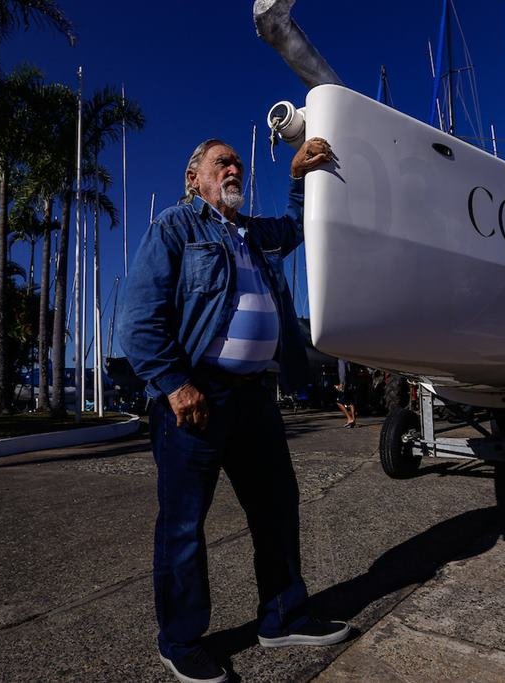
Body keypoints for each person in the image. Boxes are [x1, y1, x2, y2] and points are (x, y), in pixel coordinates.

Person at [120, 135, 349, 683]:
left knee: (276, 507)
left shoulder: (251, 233)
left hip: (254, 399)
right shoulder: (175, 227)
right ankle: (179, 640)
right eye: (222, 161)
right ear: (194, 177)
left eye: (238, 163)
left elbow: (294, 227)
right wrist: (175, 385)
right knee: (182, 524)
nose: (234, 168)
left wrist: (297, 176)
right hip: (196, 398)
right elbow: (137, 319)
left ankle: (282, 616)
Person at [335, 358, 358, 427]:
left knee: (339, 402)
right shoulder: (349, 359)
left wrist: (341, 383)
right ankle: (353, 421)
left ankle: (349, 418)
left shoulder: (341, 359)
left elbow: (343, 372)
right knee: (351, 402)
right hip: (352, 384)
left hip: (345, 384)